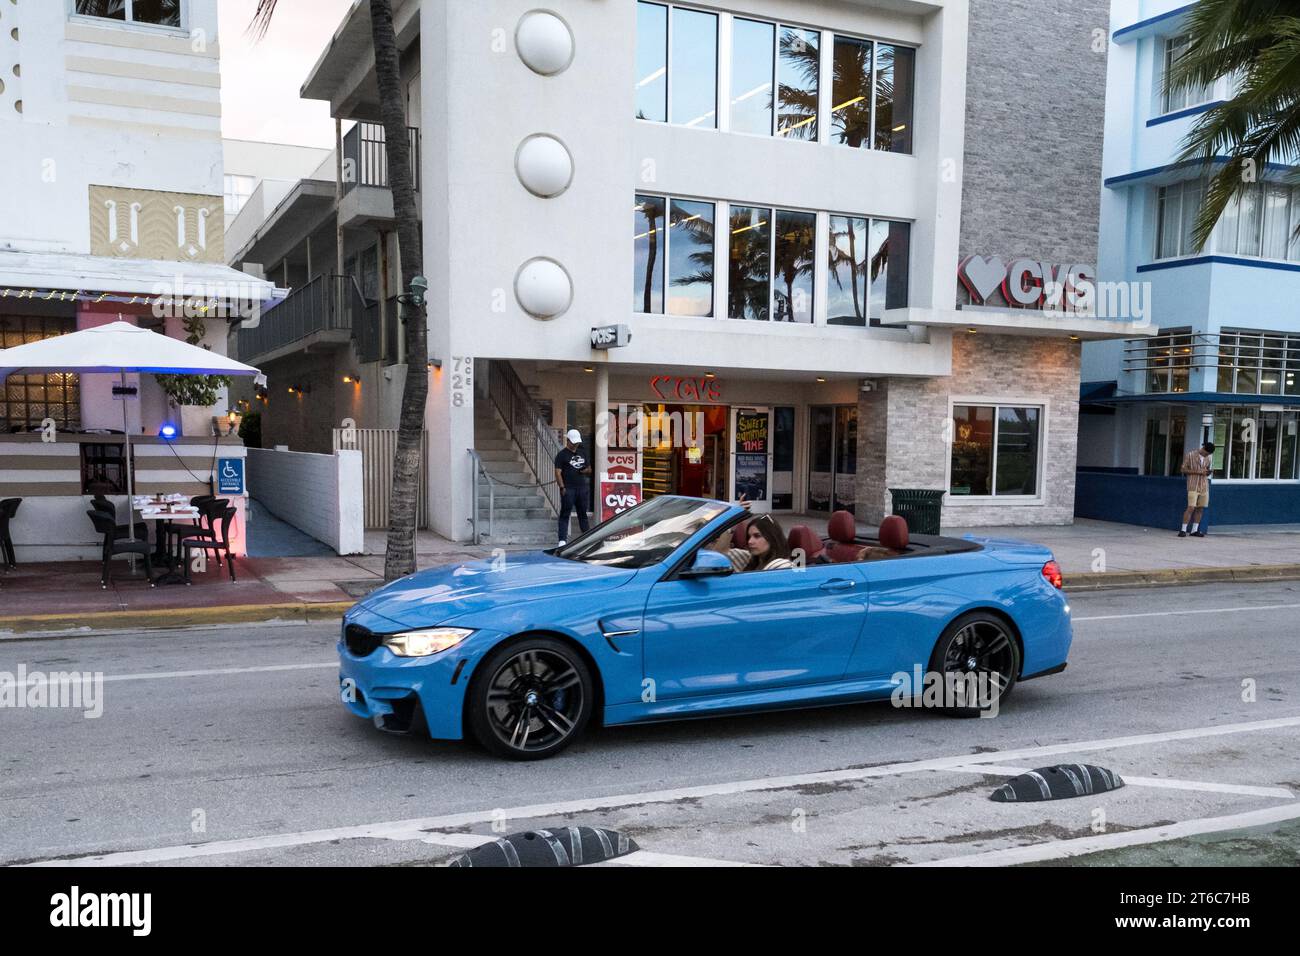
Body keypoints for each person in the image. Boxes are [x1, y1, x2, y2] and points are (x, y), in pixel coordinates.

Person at [710, 512, 794, 572]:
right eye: (749, 536)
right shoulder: (748, 558)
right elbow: (717, 555)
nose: (750, 541)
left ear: (772, 537)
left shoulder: (782, 566)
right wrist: (733, 522)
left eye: (757, 536)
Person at [554, 428, 591, 546]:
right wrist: (562, 487)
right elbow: (558, 472)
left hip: (582, 487)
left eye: (577, 442)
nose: (575, 444)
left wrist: (585, 471)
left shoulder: (583, 452)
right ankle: (562, 540)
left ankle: (586, 539)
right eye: (573, 442)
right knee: (565, 514)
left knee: (582, 514)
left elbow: (590, 469)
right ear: (568, 441)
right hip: (568, 488)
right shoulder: (561, 455)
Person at [1179, 441, 1215, 538]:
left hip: (1204, 485)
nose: (1207, 455)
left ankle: (1194, 530)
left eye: (1209, 454)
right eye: (1206, 453)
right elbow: (1183, 469)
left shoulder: (1208, 458)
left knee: (1200, 508)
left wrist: (1208, 472)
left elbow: (1205, 470)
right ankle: (1183, 530)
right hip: (1193, 485)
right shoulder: (1190, 455)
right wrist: (1197, 472)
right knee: (1191, 507)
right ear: (1203, 449)